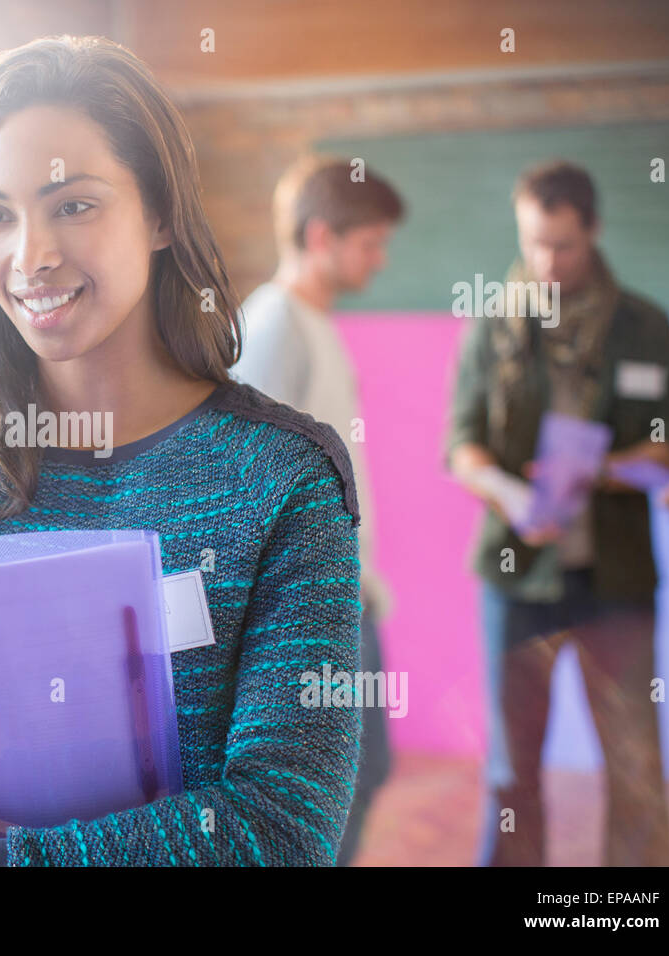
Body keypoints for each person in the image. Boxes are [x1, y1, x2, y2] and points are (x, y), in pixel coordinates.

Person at [0, 35, 364, 867]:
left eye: (73, 204)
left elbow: (281, 828)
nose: (31, 255)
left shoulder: (280, 484)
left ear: (161, 212)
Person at [446, 160, 669, 866]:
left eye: (563, 245)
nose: (546, 261)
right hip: (517, 578)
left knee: (635, 764)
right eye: (533, 242)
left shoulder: (644, 326)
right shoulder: (493, 324)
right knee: (512, 772)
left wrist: (599, 471)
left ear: (595, 231)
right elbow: (460, 444)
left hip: (617, 579)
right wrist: (514, 495)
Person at [231, 155, 405, 865]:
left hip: (344, 592)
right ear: (322, 236)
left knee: (368, 773)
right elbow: (245, 481)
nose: (381, 260)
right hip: (307, 610)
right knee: (330, 790)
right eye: (371, 243)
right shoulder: (275, 323)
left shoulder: (315, 322)